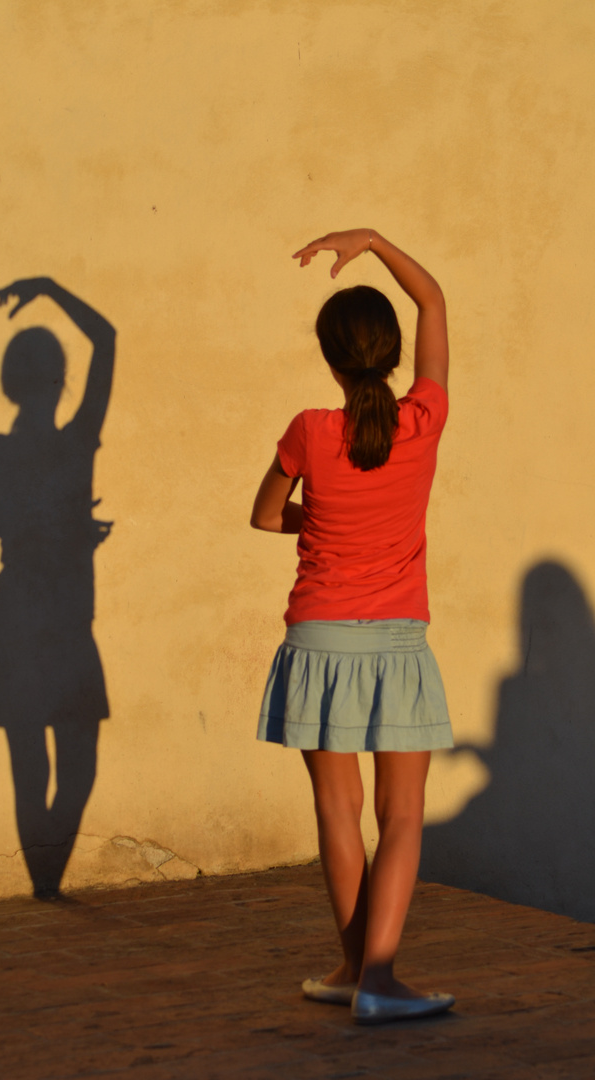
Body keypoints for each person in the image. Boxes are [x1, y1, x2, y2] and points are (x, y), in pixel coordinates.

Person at [251, 229, 455, 1024]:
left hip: (317, 640)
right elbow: (433, 297)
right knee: (400, 815)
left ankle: (348, 969)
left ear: (332, 361)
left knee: (336, 813)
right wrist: (373, 241)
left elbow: (267, 516)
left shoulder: (309, 429)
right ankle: (378, 978)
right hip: (397, 641)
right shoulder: (424, 420)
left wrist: (321, 518)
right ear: (394, 354)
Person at [0, 278, 115, 899]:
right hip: (51, 619)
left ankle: (47, 886)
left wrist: (65, 529)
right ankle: (47, 886)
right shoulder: (67, 441)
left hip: (26, 618)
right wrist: (51, 290)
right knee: (67, 761)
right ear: (58, 383)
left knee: (39, 761)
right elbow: (104, 338)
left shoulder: (5, 450)